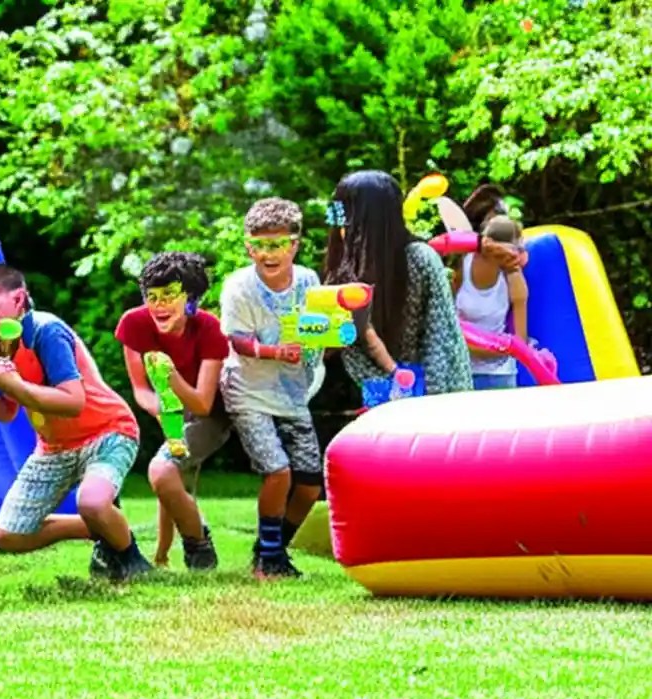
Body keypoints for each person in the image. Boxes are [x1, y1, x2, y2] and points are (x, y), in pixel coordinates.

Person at [0, 263, 153, 581]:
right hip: (54, 447)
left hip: (107, 432)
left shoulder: (46, 331)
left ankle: (133, 564)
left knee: (90, 501)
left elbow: (73, 401)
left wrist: (17, 386)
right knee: (8, 535)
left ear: (19, 300)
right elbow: (5, 410)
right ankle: (102, 528)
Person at [220, 198, 325, 579]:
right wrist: (274, 351)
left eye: (279, 244)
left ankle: (272, 551)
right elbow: (236, 339)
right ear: (249, 246)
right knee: (278, 471)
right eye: (261, 245)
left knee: (311, 483)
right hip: (247, 392)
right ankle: (268, 558)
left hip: (294, 395)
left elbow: (321, 328)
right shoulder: (239, 287)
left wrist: (336, 334)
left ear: (294, 245)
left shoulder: (310, 281)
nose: (270, 254)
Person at [114, 252, 228, 570]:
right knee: (169, 479)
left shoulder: (209, 329)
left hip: (212, 417)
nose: (159, 306)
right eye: (152, 297)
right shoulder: (134, 324)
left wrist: (172, 379)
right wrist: (164, 412)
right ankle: (162, 556)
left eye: (169, 297)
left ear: (190, 299)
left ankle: (198, 544)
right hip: (172, 411)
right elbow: (141, 390)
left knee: (162, 471)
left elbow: (203, 403)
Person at [323, 170, 474, 396]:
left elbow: (441, 338)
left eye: (345, 215)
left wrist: (428, 400)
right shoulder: (342, 264)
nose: (339, 225)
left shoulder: (417, 258)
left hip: (419, 394)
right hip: (358, 397)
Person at [453, 215, 529, 390]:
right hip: (462, 371)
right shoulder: (463, 264)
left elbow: (520, 341)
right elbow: (444, 314)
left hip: (498, 374)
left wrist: (483, 349)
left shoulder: (513, 275)